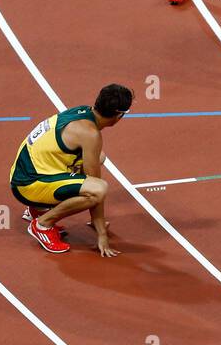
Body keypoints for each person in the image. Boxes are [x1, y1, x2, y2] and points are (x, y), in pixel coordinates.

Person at [10, 84, 132, 255]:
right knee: (98, 190)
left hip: (25, 172)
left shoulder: (82, 112)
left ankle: (37, 209)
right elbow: (96, 186)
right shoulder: (90, 134)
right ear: (119, 116)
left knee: (98, 157)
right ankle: (42, 224)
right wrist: (101, 232)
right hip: (27, 185)